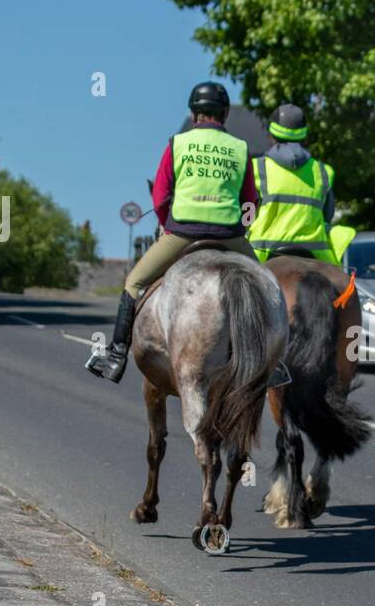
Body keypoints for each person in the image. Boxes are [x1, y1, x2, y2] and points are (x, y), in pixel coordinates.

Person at [86, 81, 261, 383]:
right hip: (229, 235)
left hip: (183, 232)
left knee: (133, 283)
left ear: (194, 114)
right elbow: (250, 202)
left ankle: (115, 357)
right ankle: (273, 364)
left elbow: (160, 197)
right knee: (263, 288)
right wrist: (240, 229)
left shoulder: (177, 143)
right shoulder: (240, 148)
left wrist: (170, 226)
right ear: (226, 113)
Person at [246, 104, 338, 263]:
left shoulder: (256, 168)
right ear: (304, 135)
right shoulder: (323, 171)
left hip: (261, 255)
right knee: (346, 286)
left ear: (271, 134)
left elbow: (246, 216)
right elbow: (327, 217)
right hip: (317, 256)